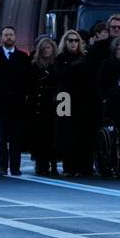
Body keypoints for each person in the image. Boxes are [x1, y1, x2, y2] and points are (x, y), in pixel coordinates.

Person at [0, 25, 32, 175]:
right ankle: (1, 166)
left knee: (15, 138)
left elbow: (27, 80)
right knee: (0, 138)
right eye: (6, 35)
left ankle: (15, 167)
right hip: (0, 104)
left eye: (11, 35)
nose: (9, 37)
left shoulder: (22, 58)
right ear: (1, 38)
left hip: (17, 105)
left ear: (15, 37)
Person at [53, 29, 93, 177]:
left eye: (76, 40)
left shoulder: (85, 57)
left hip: (81, 99)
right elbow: (58, 75)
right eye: (70, 40)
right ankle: (68, 166)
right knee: (65, 132)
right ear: (65, 42)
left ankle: (81, 166)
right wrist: (73, 67)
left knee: (81, 132)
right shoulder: (60, 58)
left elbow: (88, 78)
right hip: (64, 98)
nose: (74, 43)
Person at [28, 36, 59, 176]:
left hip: (54, 103)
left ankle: (53, 164)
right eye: (44, 48)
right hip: (39, 104)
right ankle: (41, 164)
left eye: (49, 47)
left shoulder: (57, 65)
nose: (47, 50)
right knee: (39, 136)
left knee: (54, 135)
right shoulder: (35, 65)